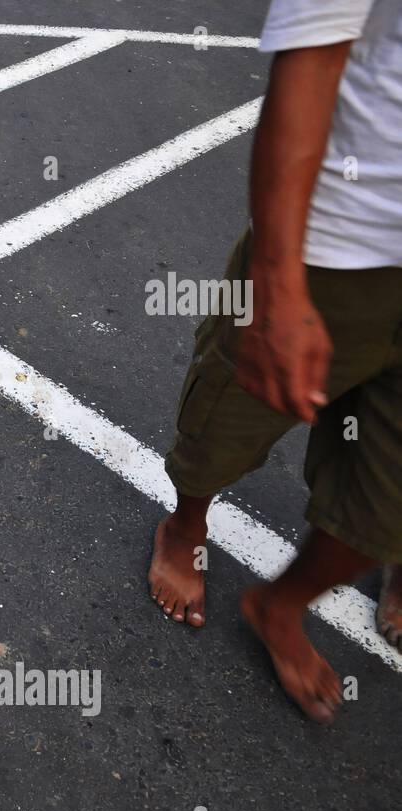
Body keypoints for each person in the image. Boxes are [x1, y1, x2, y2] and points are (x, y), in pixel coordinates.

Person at [148, 0, 402, 722]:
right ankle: (185, 526)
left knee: (387, 503)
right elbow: (313, 53)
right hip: (345, 238)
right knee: (227, 417)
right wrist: (277, 277)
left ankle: (280, 604)